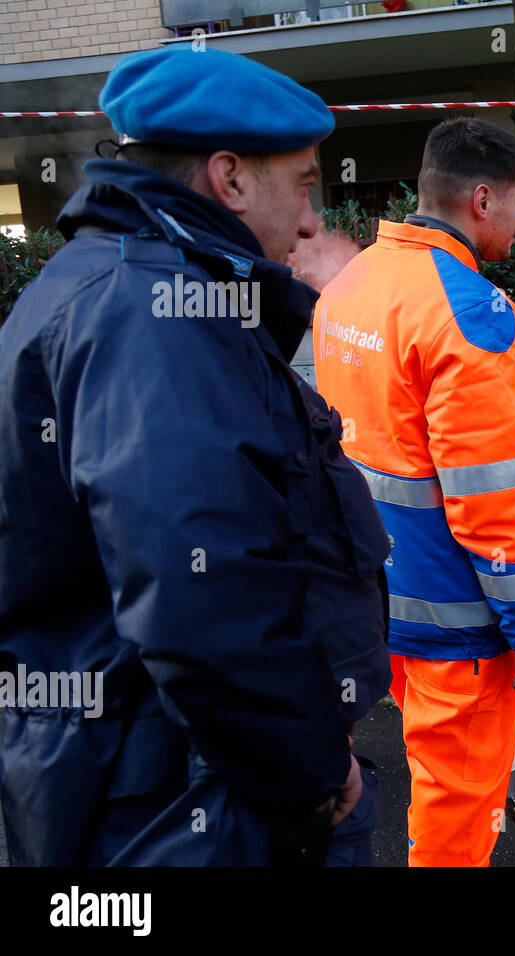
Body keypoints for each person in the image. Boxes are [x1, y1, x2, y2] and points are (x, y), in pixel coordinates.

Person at [0, 47, 390, 866]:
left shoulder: (114, 284)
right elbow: (202, 596)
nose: (315, 221)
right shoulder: (154, 313)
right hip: (180, 801)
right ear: (231, 179)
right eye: (307, 184)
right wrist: (317, 771)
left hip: (143, 779)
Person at [313, 118, 515, 867]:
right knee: (459, 798)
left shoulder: (353, 281)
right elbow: (492, 499)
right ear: (481, 200)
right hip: (454, 615)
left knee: (425, 779)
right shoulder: (473, 315)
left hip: (374, 592)